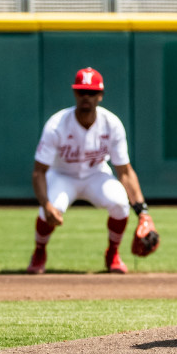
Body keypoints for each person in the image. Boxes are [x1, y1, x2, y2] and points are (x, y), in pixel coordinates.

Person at [26, 66, 150, 275]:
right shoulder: (57, 124)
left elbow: (125, 172)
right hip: (62, 175)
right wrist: (46, 205)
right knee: (51, 208)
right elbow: (39, 172)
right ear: (75, 93)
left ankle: (113, 253)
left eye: (92, 92)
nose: (86, 96)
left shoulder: (111, 124)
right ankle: (39, 251)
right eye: (82, 91)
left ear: (100, 95)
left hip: (95, 174)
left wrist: (143, 213)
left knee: (120, 202)